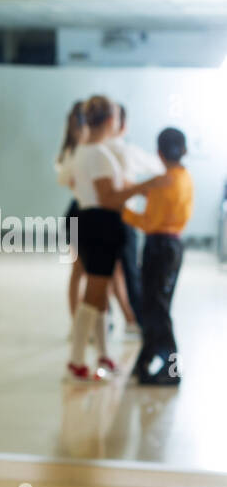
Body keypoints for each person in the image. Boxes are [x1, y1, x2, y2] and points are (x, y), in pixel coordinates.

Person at [122, 127, 193, 386]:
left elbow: (150, 221)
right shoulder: (184, 177)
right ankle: (145, 360)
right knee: (156, 306)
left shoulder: (164, 182)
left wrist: (124, 212)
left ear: (159, 152)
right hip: (173, 247)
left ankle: (172, 368)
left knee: (156, 309)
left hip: (159, 247)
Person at [66, 95, 128, 381]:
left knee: (100, 295)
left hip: (91, 221)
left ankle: (104, 354)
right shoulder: (99, 154)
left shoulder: (83, 150)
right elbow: (109, 197)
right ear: (111, 120)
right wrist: (143, 187)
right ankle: (77, 359)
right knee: (94, 295)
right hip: (101, 223)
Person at [106, 102, 167, 333]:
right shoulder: (124, 150)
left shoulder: (98, 150)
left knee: (106, 273)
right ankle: (139, 322)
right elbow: (160, 167)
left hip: (99, 219)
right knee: (130, 273)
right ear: (122, 124)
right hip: (124, 219)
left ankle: (110, 320)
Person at [56, 101, 88, 319]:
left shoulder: (86, 150)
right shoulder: (72, 152)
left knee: (88, 272)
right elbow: (67, 180)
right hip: (80, 213)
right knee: (78, 270)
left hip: (87, 212)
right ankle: (77, 321)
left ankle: (85, 320)